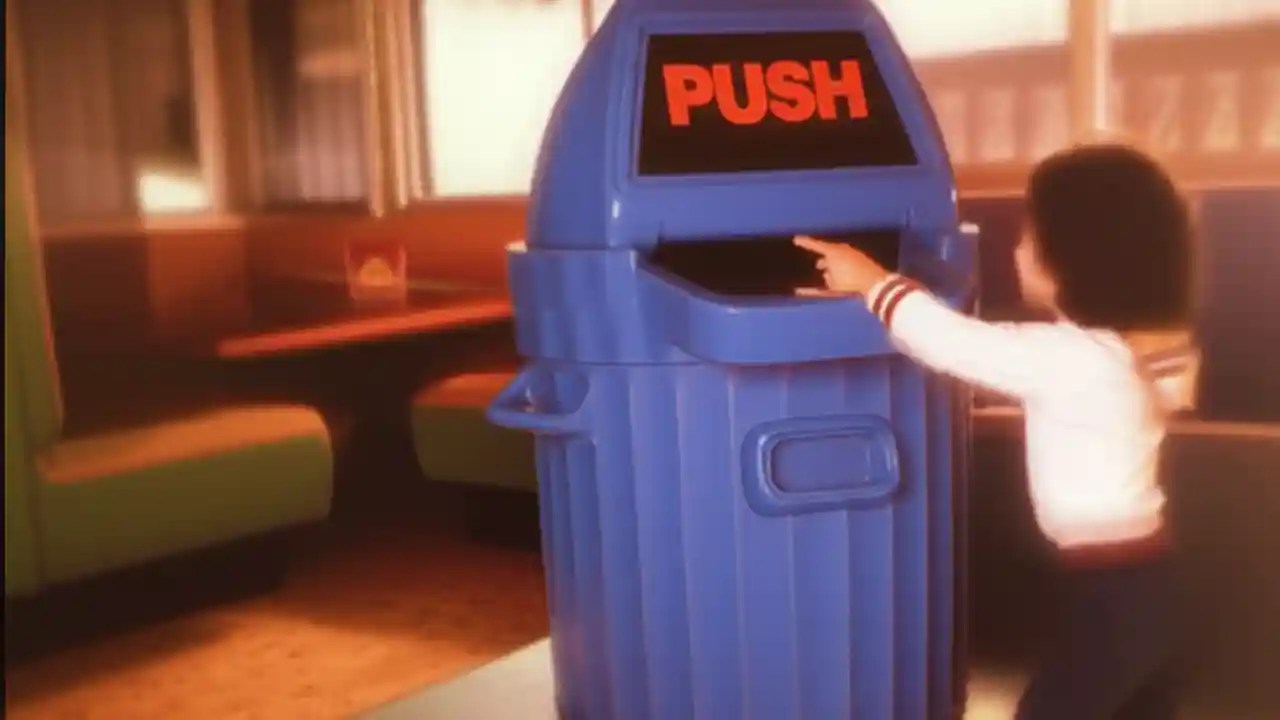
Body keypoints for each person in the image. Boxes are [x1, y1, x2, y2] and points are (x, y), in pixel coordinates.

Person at [794, 144, 1198, 720]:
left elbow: (953, 342)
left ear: (1076, 257)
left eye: (1030, 236)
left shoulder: (1069, 357)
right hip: (1148, 585)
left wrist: (872, 283)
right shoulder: (1128, 350)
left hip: (1115, 594)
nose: (1017, 248)